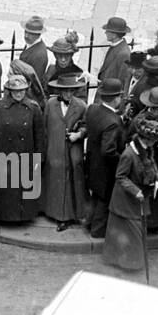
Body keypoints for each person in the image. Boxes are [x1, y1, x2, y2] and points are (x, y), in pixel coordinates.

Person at [102, 116, 158, 272]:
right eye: (153, 140)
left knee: (133, 232)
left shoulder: (147, 149)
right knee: (133, 232)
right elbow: (120, 177)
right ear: (146, 139)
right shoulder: (129, 155)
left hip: (138, 199)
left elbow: (152, 164)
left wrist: (155, 178)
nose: (155, 143)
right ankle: (130, 263)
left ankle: (128, 260)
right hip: (126, 200)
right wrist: (136, 191)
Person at [0, 73, 45, 223]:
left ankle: (23, 216)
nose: (19, 94)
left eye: (22, 90)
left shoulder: (33, 108)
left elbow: (40, 135)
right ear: (9, 90)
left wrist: (39, 157)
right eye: (15, 90)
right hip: (3, 153)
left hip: (25, 154)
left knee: (22, 187)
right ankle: (0, 216)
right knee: (2, 187)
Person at [41, 71, 88, 230]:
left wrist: (79, 134)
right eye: (65, 90)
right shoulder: (50, 104)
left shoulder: (81, 106)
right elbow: (44, 127)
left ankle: (65, 216)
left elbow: (86, 126)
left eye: (71, 91)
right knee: (53, 180)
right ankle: (50, 210)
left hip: (71, 151)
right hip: (53, 149)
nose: (68, 94)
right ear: (59, 91)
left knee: (68, 183)